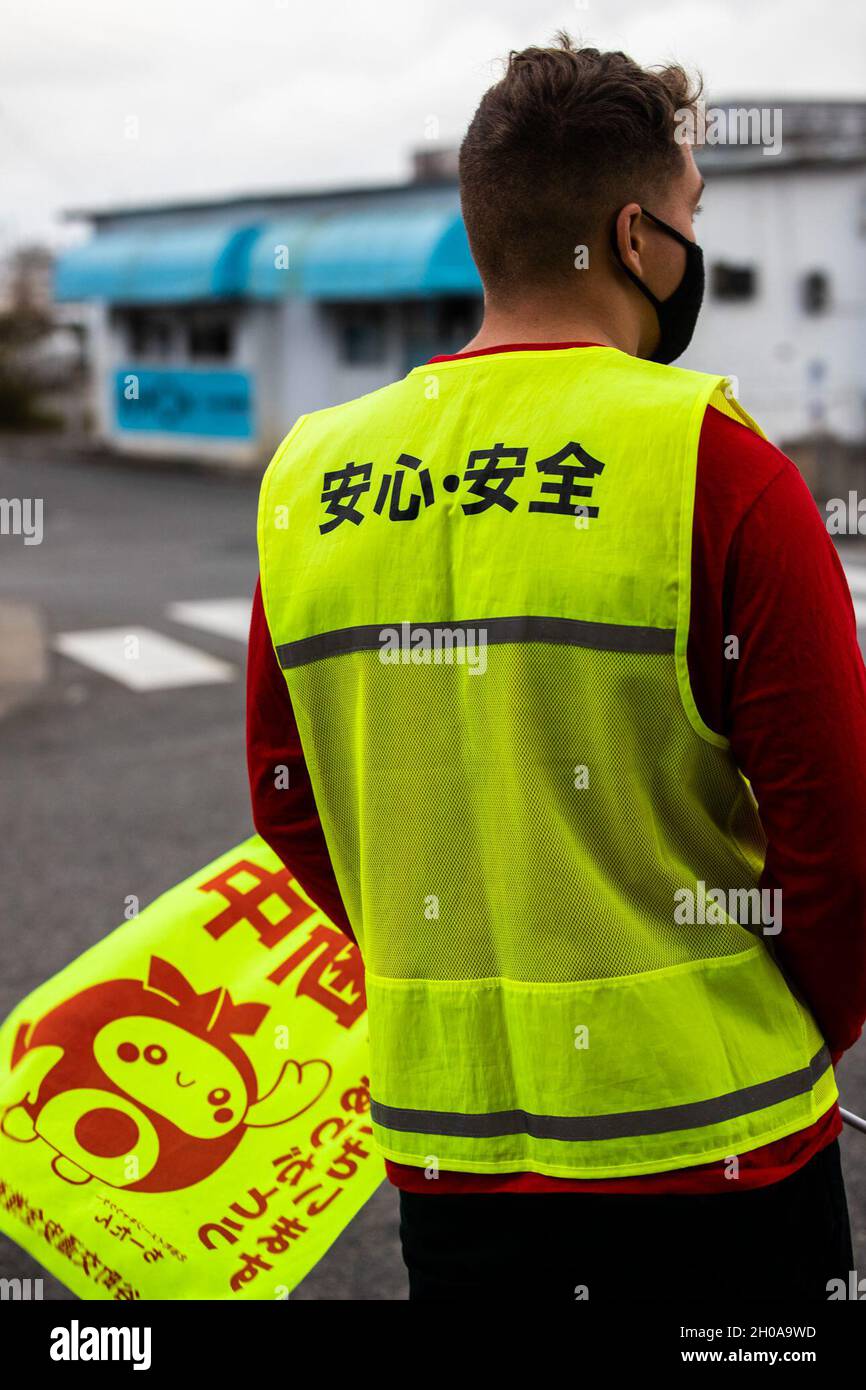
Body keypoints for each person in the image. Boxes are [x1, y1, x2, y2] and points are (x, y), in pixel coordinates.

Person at [246, 36, 866, 1302]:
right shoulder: (718, 466)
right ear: (634, 237)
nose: (695, 251)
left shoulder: (308, 478)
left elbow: (288, 804)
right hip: (718, 1153)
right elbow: (835, 839)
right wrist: (803, 1020)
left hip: (452, 1157)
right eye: (691, 217)